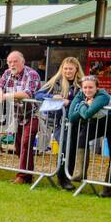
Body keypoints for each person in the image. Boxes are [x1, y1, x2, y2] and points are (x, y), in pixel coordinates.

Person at [35, 57, 84, 189]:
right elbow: (38, 95)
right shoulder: (55, 82)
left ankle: (69, 176)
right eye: (65, 68)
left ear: (76, 69)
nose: (68, 71)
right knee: (64, 147)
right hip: (59, 122)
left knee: (73, 149)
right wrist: (53, 97)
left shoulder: (82, 83)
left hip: (78, 122)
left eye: (70, 68)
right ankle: (62, 178)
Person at [0, 51, 42, 184]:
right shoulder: (7, 73)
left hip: (33, 114)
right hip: (16, 116)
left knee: (26, 143)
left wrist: (7, 96)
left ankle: (22, 176)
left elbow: (28, 93)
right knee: (18, 145)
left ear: (23, 61)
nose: (12, 64)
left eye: (15, 61)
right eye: (9, 62)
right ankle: (28, 176)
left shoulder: (31, 74)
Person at [64, 75, 111, 191]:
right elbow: (71, 117)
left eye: (91, 87)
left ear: (97, 88)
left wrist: (81, 105)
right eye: (85, 87)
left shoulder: (103, 95)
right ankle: (80, 173)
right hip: (96, 121)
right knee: (82, 137)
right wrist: (84, 105)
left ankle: (107, 188)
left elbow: (86, 114)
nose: (87, 90)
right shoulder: (81, 94)